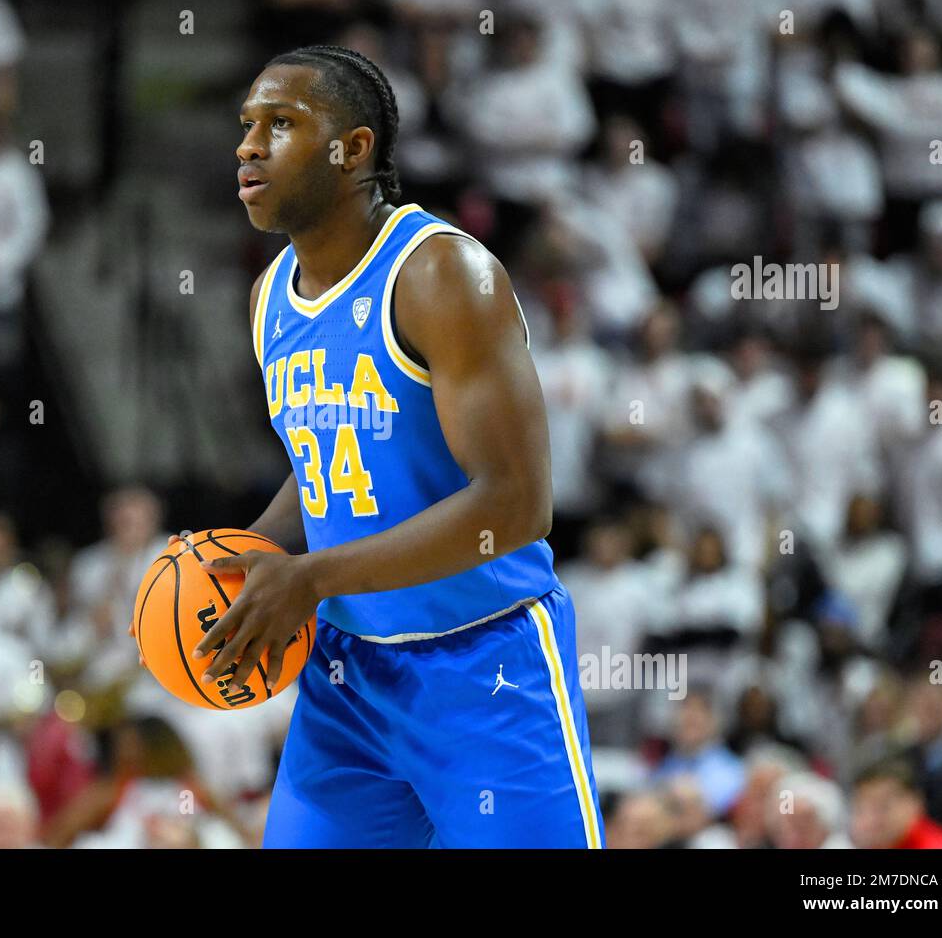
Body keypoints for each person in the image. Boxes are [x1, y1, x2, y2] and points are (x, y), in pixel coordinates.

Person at [143, 45, 602, 848]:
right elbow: (324, 464)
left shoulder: (442, 274)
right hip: (345, 677)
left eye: (280, 124)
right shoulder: (269, 298)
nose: (249, 145)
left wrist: (311, 576)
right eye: (246, 125)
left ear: (353, 149)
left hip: (484, 666)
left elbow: (516, 505)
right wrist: (240, 567)